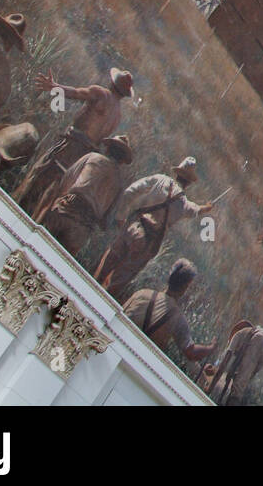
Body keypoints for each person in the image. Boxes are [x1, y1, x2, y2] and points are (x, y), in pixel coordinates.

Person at [15, 66, 134, 215]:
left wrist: (54, 87)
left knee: (41, 177)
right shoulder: (118, 115)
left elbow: (76, 93)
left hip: (71, 146)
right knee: (56, 193)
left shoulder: (101, 93)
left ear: (112, 82)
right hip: (84, 158)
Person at [94, 156, 213, 301]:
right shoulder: (183, 205)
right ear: (188, 183)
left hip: (132, 227)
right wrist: (206, 208)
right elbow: (196, 210)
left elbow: (130, 192)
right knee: (116, 284)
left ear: (177, 173)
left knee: (103, 268)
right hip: (147, 243)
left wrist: (120, 217)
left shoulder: (159, 179)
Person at [37, 135, 134, 257]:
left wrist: (65, 196)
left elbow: (67, 178)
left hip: (65, 209)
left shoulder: (92, 157)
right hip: (83, 227)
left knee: (39, 245)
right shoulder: (119, 183)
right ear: (122, 160)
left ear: (108, 148)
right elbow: (107, 220)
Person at [123, 258, 215, 360]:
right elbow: (191, 353)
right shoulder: (177, 318)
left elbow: (119, 315)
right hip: (138, 362)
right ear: (185, 287)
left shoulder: (141, 294)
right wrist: (211, 348)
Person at [208, 319, 263, 405]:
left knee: (237, 388)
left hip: (259, 339)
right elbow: (251, 373)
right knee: (241, 382)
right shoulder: (247, 337)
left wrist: (209, 389)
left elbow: (224, 363)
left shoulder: (237, 335)